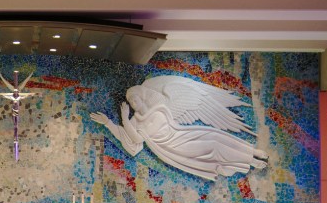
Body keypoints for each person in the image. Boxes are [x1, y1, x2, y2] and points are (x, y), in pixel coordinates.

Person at [90, 75, 267, 181]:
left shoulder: (158, 109)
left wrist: (125, 122)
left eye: (135, 99)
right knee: (214, 147)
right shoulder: (135, 122)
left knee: (215, 137)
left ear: (142, 97)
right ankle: (249, 160)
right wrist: (112, 123)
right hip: (177, 148)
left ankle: (252, 151)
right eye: (130, 102)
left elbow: (134, 133)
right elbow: (132, 140)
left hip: (182, 135)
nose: (133, 104)